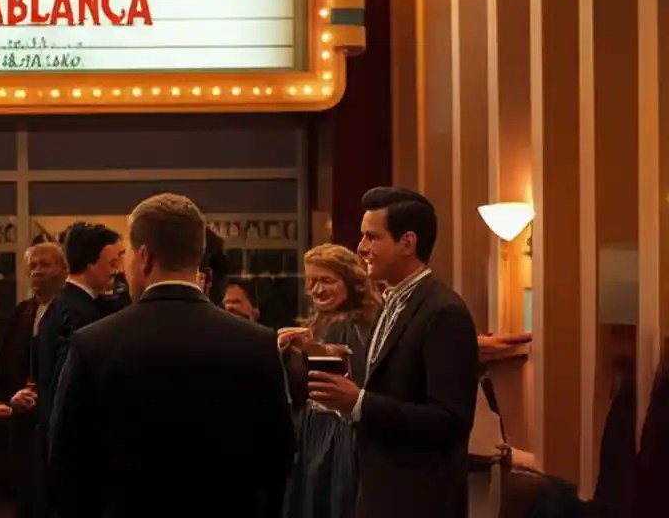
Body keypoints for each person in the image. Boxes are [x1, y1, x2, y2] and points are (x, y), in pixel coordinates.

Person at [49, 194, 294, 517]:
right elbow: (278, 458)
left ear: (145, 258)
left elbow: (66, 464)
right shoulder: (257, 343)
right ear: (197, 254)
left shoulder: (94, 345)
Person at [307, 187, 479, 518]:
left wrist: (359, 403)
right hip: (377, 493)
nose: (361, 248)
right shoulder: (392, 302)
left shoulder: (443, 311)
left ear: (407, 243)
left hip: (418, 500)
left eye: (372, 237)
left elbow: (450, 421)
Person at [280, 244, 381, 518]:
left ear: (349, 282)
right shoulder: (316, 323)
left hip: (339, 433)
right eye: (312, 281)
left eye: (327, 281)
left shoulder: (360, 326)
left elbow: (359, 378)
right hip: (312, 430)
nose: (317, 290)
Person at [34, 222, 123, 437]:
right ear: (89, 263)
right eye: (112, 262)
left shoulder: (61, 304)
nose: (118, 270)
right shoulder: (78, 315)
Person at [0, 242, 68, 518]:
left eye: (45, 265)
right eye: (33, 266)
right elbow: (5, 361)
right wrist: (12, 394)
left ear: (63, 270)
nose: (38, 271)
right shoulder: (23, 312)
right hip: (24, 419)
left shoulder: (68, 312)